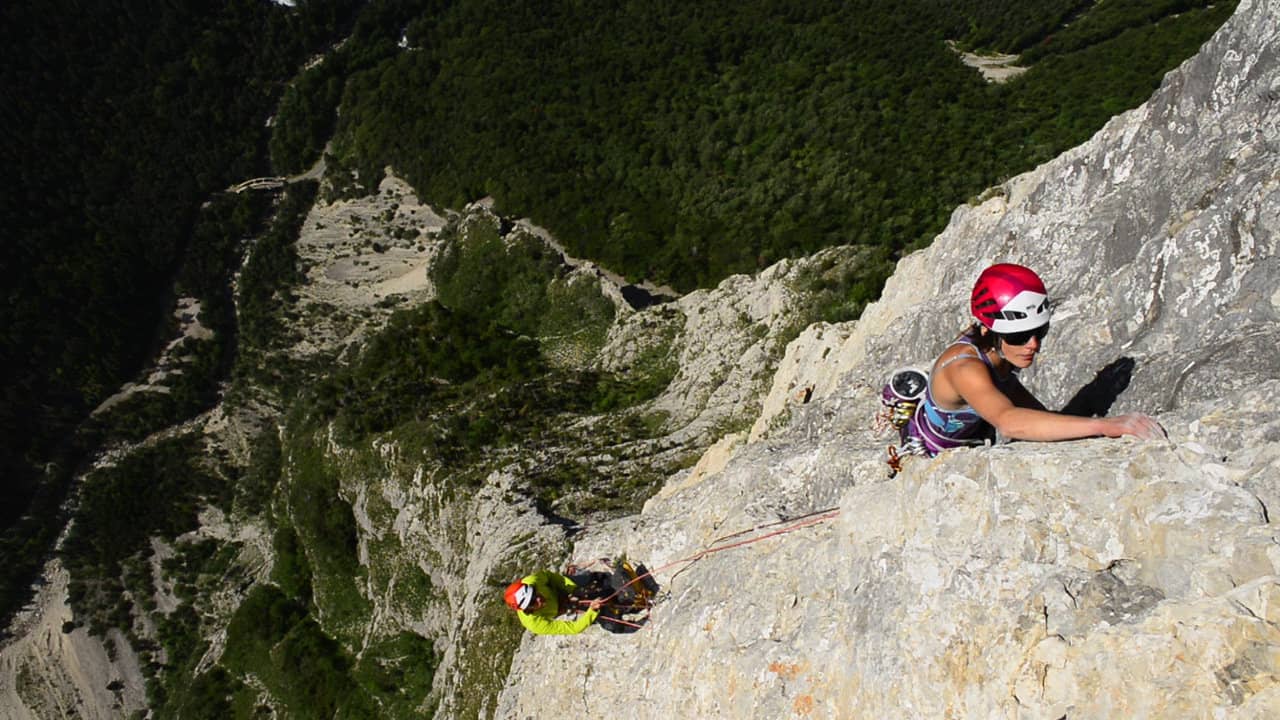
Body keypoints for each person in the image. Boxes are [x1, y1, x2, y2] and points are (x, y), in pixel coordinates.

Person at [902, 263, 1164, 455]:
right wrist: (1103, 425)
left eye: (1040, 332)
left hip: (969, 434)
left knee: (1054, 424)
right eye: (1019, 336)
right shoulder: (965, 368)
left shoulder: (994, 347)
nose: (1033, 345)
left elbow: (1015, 400)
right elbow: (1008, 421)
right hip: (932, 455)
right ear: (988, 330)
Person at [503, 570, 607, 635]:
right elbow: (573, 628)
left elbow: (549, 576)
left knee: (592, 579)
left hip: (558, 590)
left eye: (535, 593)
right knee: (604, 615)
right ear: (527, 610)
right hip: (559, 608)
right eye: (532, 602)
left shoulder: (532, 580)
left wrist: (569, 588)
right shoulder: (534, 624)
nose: (538, 599)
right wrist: (592, 611)